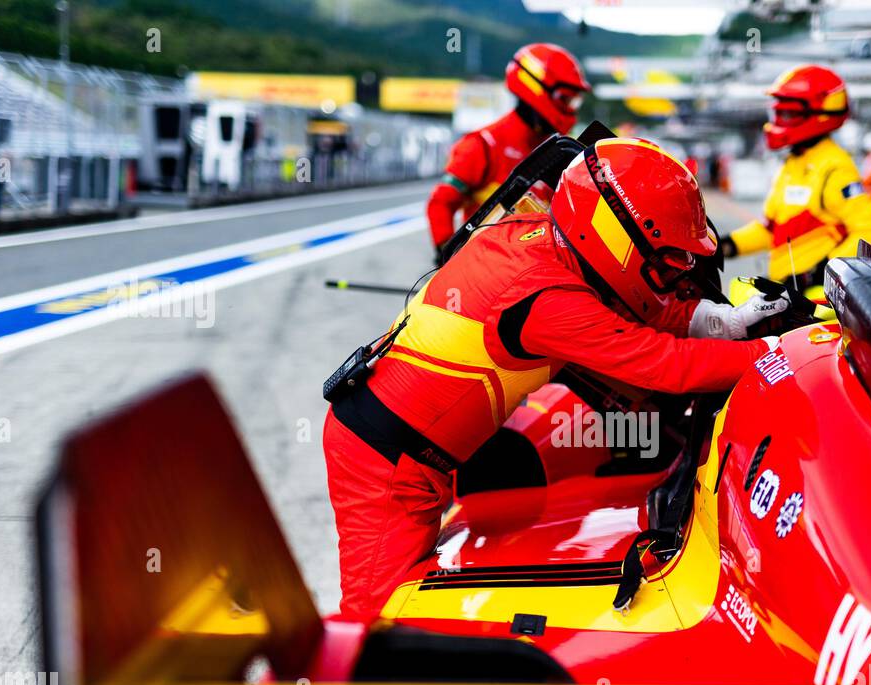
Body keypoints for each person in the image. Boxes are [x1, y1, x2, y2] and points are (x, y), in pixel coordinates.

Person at [325, 137, 791, 621]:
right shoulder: (548, 302)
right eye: (664, 262)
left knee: (407, 614)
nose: (672, 276)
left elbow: (635, 309)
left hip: (408, 446)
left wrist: (723, 322)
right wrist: (776, 353)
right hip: (386, 465)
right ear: (614, 237)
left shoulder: (536, 233)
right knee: (375, 628)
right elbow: (665, 365)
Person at [720, 65, 871, 299]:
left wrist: (823, 273)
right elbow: (771, 229)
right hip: (790, 292)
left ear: (819, 116)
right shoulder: (793, 164)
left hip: (817, 300)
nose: (778, 121)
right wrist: (725, 246)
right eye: (777, 114)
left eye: (787, 114)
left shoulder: (834, 167)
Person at [426, 43, 590, 260]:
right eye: (565, 99)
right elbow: (440, 203)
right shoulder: (483, 145)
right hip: (486, 272)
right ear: (535, 87)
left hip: (538, 270)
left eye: (574, 102)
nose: (570, 109)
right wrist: (448, 256)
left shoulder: (562, 152)